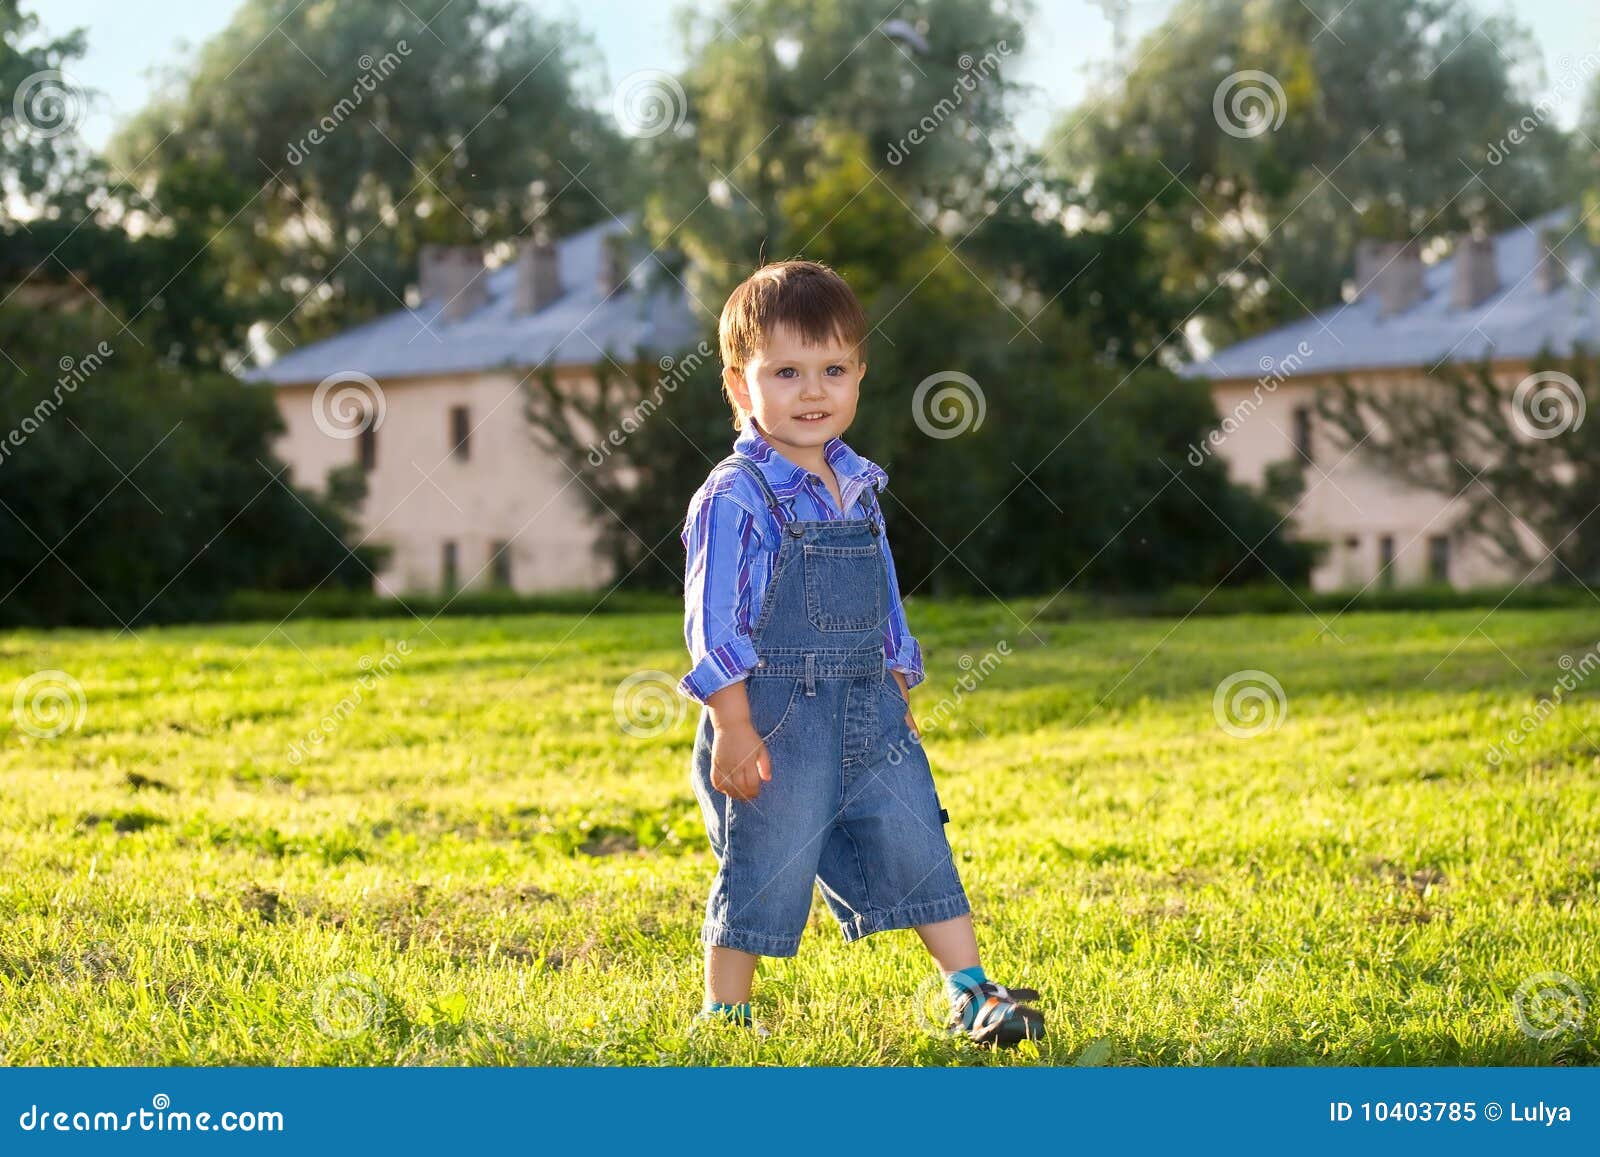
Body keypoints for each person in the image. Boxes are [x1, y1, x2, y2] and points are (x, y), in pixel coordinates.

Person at [676, 258, 1045, 1048]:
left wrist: (895, 673)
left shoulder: (858, 483)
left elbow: (880, 591)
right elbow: (715, 621)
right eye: (787, 371)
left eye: (833, 369)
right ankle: (726, 1010)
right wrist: (732, 723)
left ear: (859, 375)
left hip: (868, 707)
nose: (814, 390)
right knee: (766, 859)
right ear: (742, 388)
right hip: (775, 716)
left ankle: (973, 989)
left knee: (916, 835)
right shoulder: (736, 493)